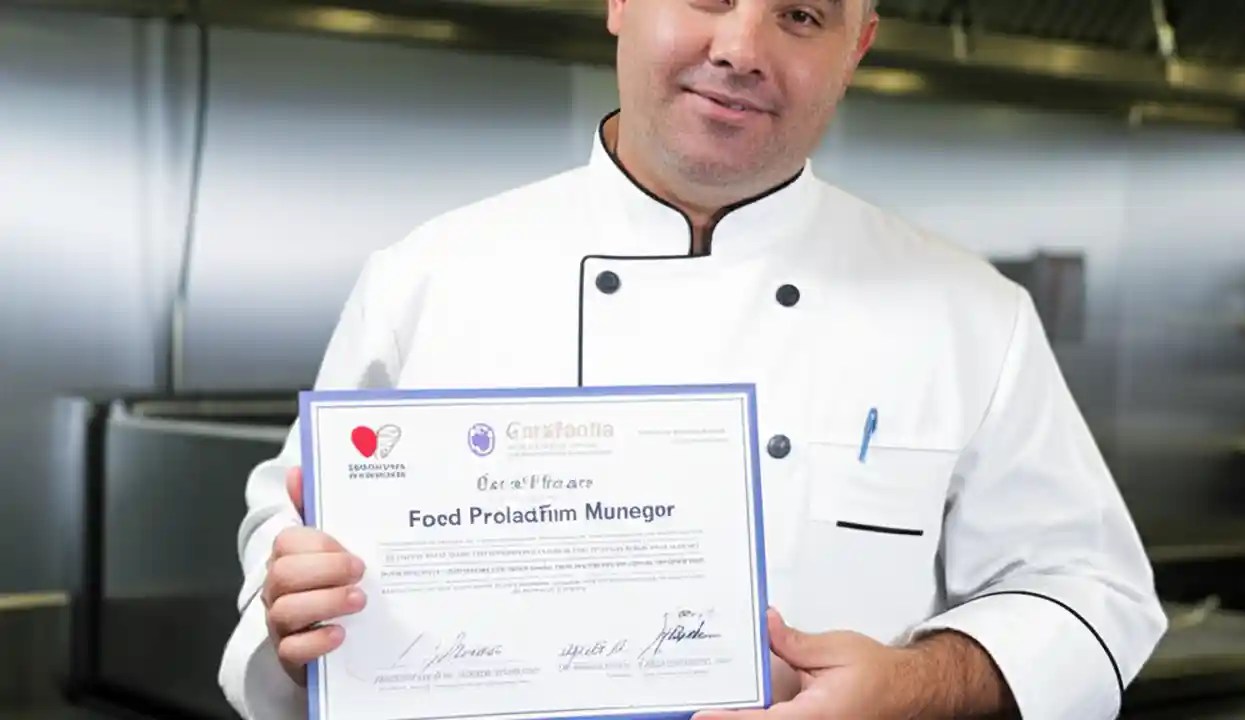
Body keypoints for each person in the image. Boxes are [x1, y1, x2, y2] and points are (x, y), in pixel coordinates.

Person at [217, 0, 1168, 717]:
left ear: (857, 49)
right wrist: (299, 615)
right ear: (622, 1)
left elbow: (1093, 590)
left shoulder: (972, 315)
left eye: (800, 14)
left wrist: (918, 686)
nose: (742, 50)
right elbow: (293, 522)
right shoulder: (426, 279)